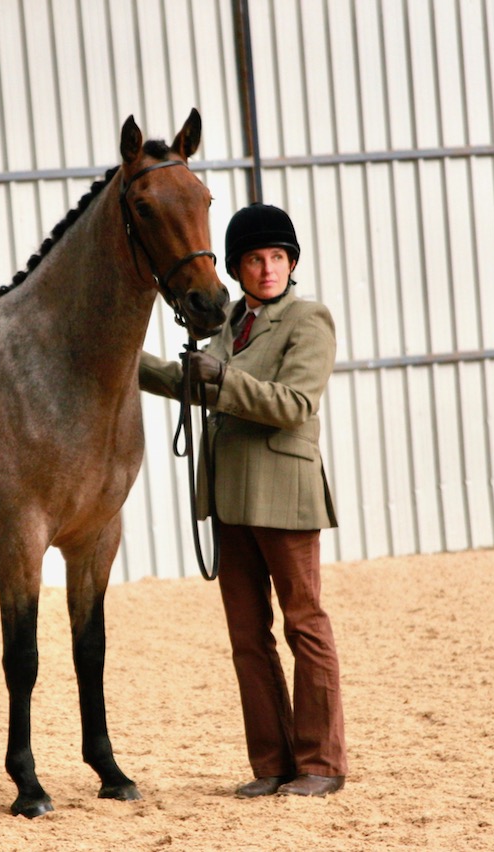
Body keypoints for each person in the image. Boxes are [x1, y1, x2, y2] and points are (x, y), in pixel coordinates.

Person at [138, 203, 346, 798]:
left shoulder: (308, 320)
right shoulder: (231, 325)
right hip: (229, 497)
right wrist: (124, 364)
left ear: (292, 263)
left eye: (277, 257)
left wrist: (220, 379)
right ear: (236, 268)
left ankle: (322, 763)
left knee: (305, 625)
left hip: (284, 495)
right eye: (255, 259)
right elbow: (194, 383)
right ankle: (273, 763)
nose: (267, 268)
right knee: (248, 636)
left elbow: (293, 405)